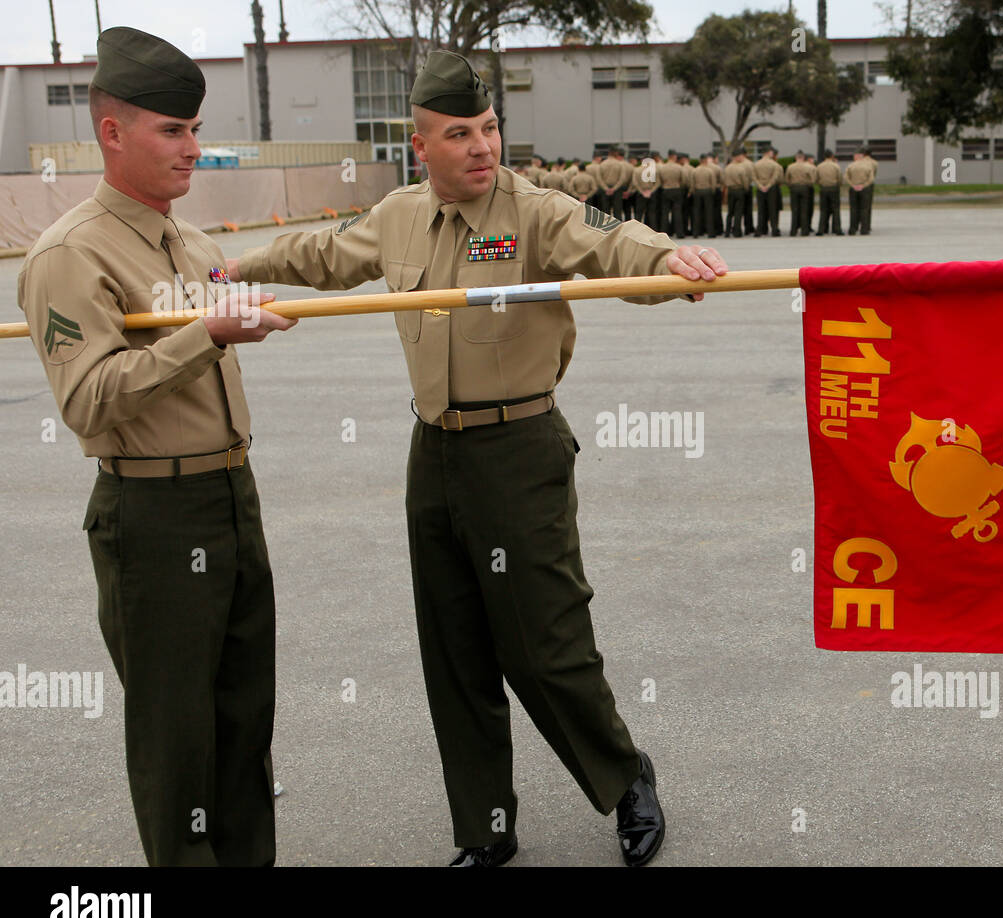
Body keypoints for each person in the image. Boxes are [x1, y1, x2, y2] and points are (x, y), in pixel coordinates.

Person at [229, 50, 728, 867]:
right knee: (454, 650)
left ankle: (624, 776)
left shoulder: (534, 210)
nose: (481, 146)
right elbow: (317, 255)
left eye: (489, 128)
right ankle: (485, 830)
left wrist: (669, 262)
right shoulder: (396, 216)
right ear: (420, 146)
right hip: (434, 454)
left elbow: (612, 243)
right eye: (459, 133)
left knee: (547, 640)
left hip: (519, 449)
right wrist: (226, 270)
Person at [18, 26, 296, 866]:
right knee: (177, 738)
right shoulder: (71, 254)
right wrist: (204, 336)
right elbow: (89, 399)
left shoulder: (196, 245)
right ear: (111, 133)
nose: (192, 149)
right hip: (153, 510)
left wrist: (229, 323)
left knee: (244, 722)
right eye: (172, 130)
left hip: (230, 496)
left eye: (196, 130)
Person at [753, 147, 784, 237]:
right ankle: (774, 229)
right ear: (769, 153)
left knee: (761, 209)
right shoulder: (775, 165)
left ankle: (760, 229)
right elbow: (776, 177)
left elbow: (754, 177)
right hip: (772, 188)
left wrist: (760, 186)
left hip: (760, 188)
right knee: (773, 209)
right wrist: (768, 185)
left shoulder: (756, 164)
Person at [844, 149, 875, 235]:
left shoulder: (850, 166)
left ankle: (852, 229)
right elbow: (871, 179)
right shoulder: (868, 166)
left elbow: (846, 177)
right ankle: (864, 229)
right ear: (862, 157)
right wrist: (864, 185)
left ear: (856, 156)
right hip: (864, 189)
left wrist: (853, 185)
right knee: (864, 209)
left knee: (853, 209)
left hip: (853, 189)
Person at [786, 151, 816, 236]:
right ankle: (804, 230)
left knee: (794, 210)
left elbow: (787, 179)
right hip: (805, 188)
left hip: (794, 188)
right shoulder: (808, 167)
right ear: (803, 158)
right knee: (804, 210)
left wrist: (790, 185)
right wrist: (808, 184)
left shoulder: (790, 167)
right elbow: (813, 179)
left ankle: (793, 230)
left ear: (796, 157)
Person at [815, 150, 843, 235]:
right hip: (834, 188)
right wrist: (838, 185)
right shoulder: (836, 166)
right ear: (832, 156)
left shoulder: (819, 166)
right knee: (836, 210)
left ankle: (821, 230)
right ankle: (837, 229)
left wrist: (821, 184)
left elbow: (816, 179)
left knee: (823, 210)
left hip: (823, 189)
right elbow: (840, 178)